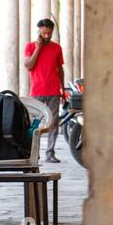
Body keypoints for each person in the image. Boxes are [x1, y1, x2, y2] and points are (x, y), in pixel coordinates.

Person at [24, 17, 65, 164]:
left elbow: (60, 69)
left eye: (49, 33)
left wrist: (62, 88)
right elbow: (28, 66)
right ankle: (33, 152)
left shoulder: (57, 48)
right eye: (44, 33)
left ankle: (50, 153)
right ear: (39, 31)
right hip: (37, 90)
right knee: (35, 122)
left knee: (53, 122)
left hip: (53, 90)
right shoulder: (30, 46)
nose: (47, 36)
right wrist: (38, 49)